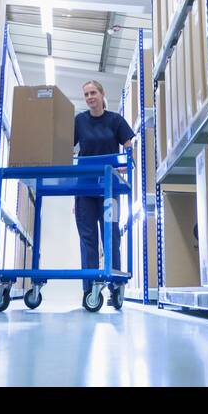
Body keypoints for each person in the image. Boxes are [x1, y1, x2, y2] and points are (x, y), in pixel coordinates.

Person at [72, 79, 136, 305]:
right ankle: (89, 288)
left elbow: (129, 147)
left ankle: (115, 286)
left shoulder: (115, 120)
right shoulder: (79, 121)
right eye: (86, 94)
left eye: (93, 93)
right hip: (85, 187)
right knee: (88, 238)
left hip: (110, 188)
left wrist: (125, 163)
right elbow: (64, 145)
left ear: (102, 94)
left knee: (111, 236)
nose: (89, 97)